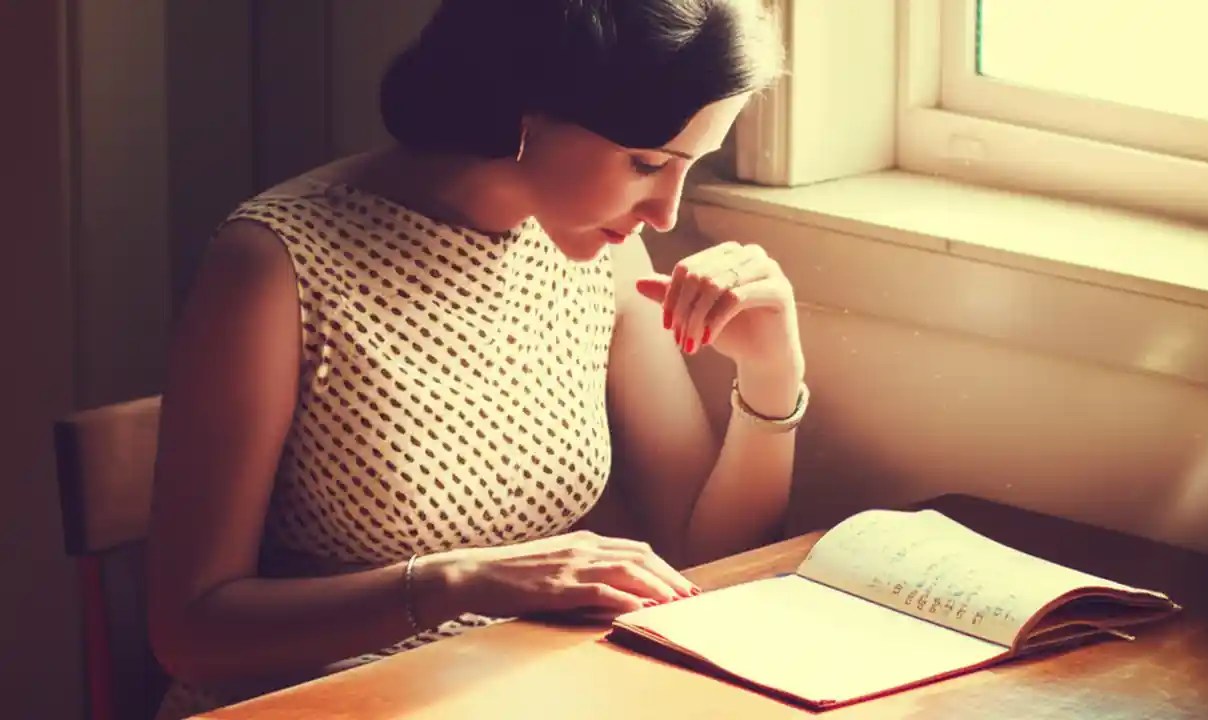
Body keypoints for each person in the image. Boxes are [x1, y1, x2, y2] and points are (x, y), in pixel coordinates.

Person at [145, 0, 803, 716]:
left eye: (688, 167)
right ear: (531, 109)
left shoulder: (600, 250)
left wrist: (772, 378)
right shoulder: (277, 263)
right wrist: (460, 581)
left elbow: (702, 557)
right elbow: (191, 632)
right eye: (647, 163)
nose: (667, 212)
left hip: (509, 693)